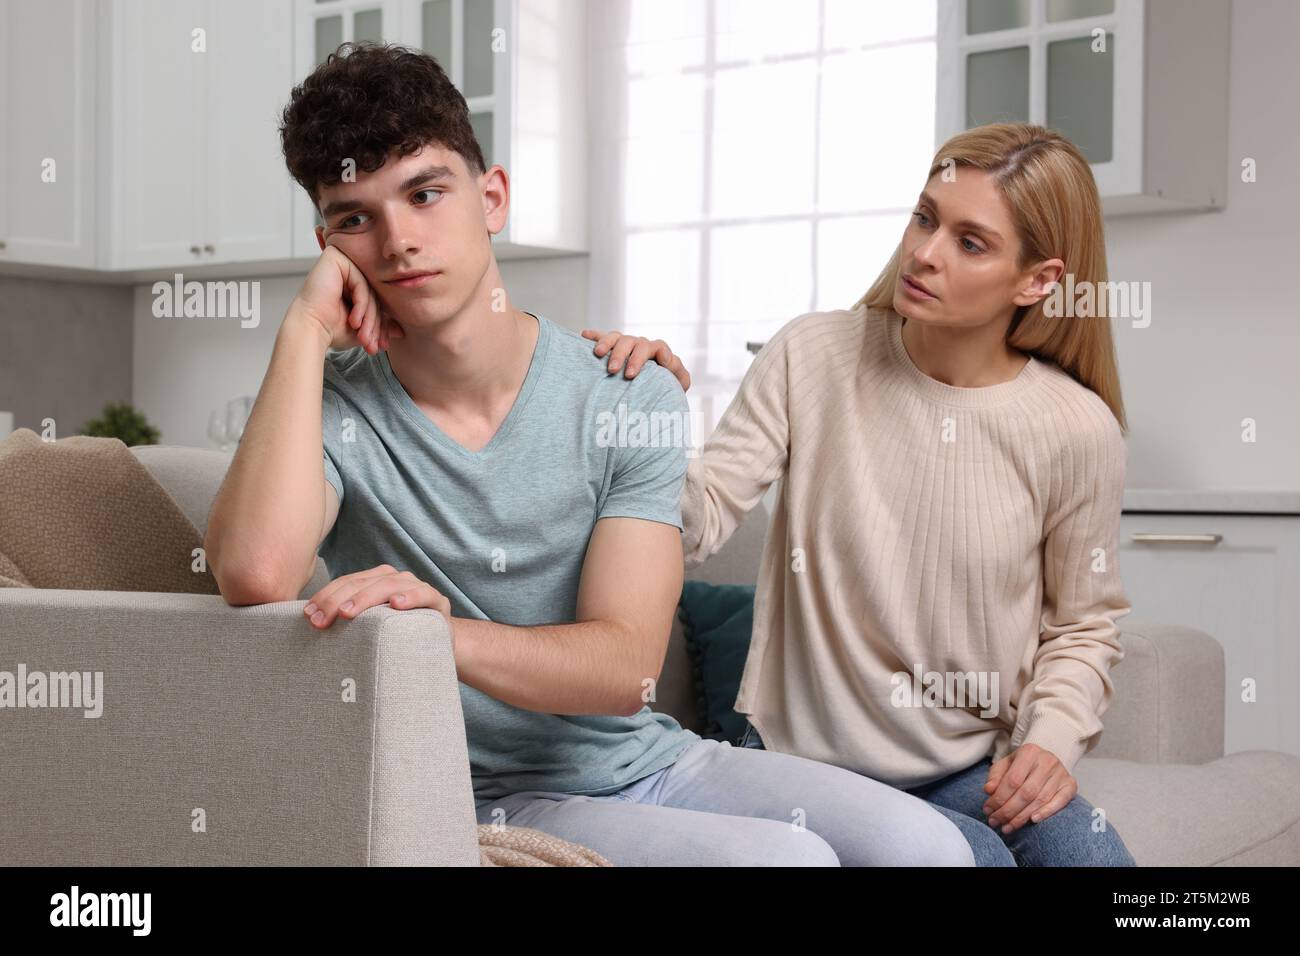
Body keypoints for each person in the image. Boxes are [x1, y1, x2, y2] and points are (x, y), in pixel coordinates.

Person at [202, 42, 975, 867]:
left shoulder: (626, 393)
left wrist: (438, 633)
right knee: (792, 865)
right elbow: (255, 575)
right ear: (330, 244)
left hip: (648, 761)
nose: (397, 241)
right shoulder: (335, 410)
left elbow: (623, 665)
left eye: (425, 193)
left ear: (491, 197)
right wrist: (304, 329)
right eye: (356, 218)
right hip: (482, 791)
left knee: (926, 848)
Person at [583, 122, 1138, 866]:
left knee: (1092, 859)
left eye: (970, 243)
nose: (924, 253)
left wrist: (1049, 741)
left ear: (1038, 280)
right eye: (925, 217)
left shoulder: (1076, 429)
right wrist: (635, 415)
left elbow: (1083, 625)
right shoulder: (814, 354)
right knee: (976, 860)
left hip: (968, 765)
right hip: (803, 762)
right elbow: (700, 514)